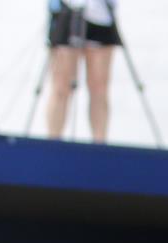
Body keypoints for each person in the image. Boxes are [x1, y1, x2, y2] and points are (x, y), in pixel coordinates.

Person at [43, 0, 119, 142]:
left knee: (99, 88)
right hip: (65, 12)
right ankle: (52, 146)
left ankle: (99, 148)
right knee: (60, 86)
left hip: (101, 14)